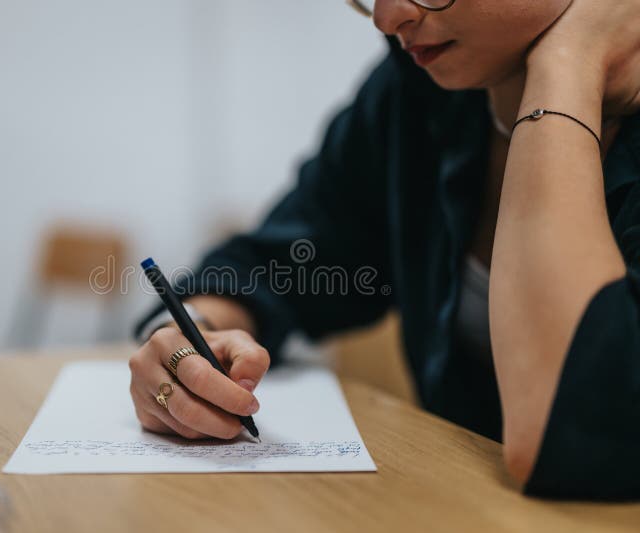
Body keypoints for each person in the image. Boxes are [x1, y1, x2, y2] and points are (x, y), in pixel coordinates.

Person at [129, 0, 640, 499]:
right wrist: (192, 338)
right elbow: (279, 262)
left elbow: (572, 431)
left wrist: (569, 62)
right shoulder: (421, 90)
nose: (387, 16)